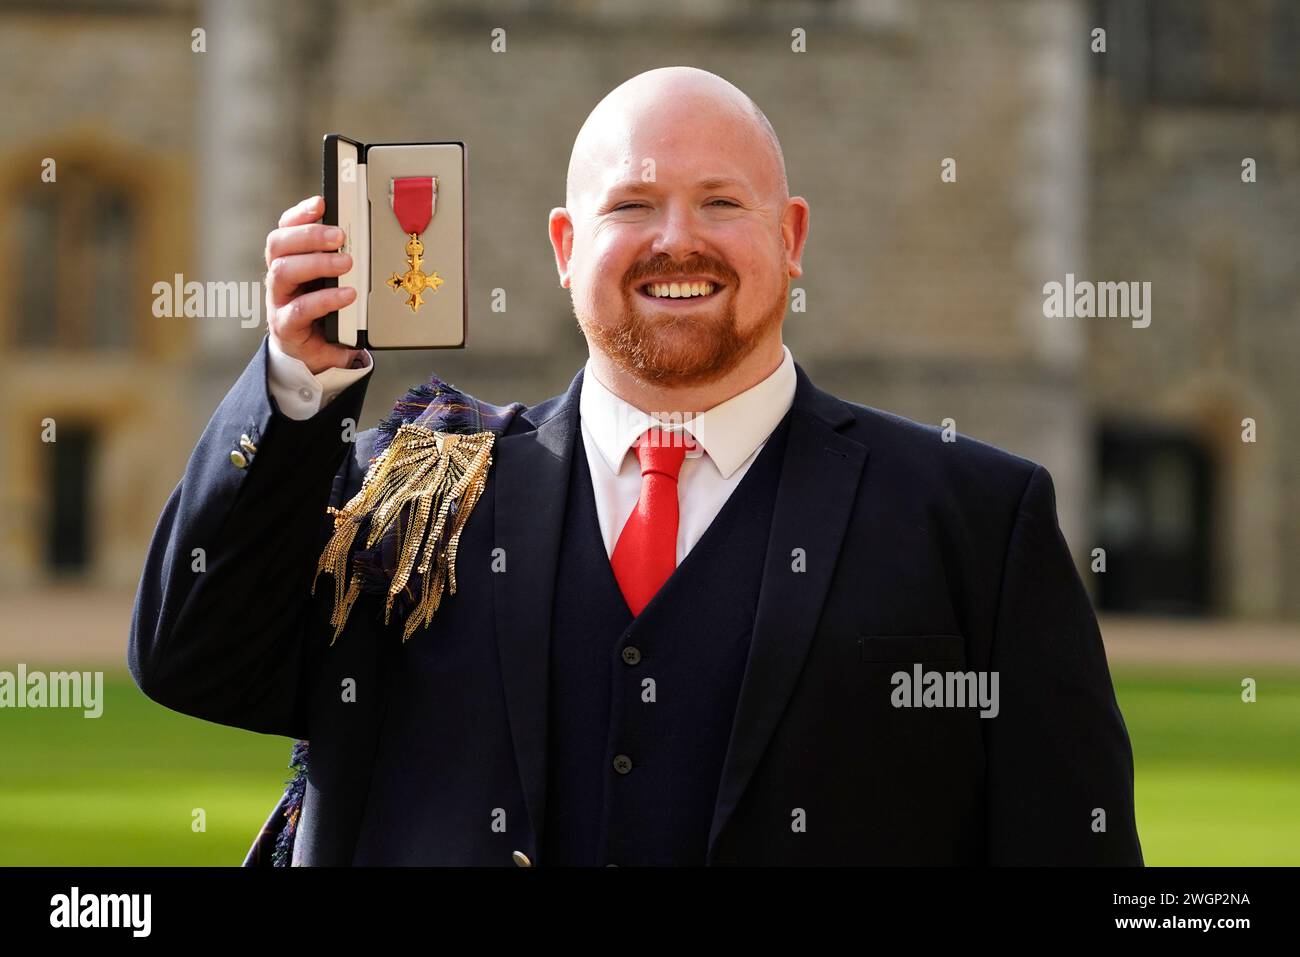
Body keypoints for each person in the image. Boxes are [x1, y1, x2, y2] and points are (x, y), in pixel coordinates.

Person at [129, 66, 1142, 866]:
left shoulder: (972, 517)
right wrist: (292, 392)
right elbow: (190, 658)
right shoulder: (412, 491)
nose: (676, 240)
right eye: (633, 205)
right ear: (567, 248)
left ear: (790, 240)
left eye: (719, 203)